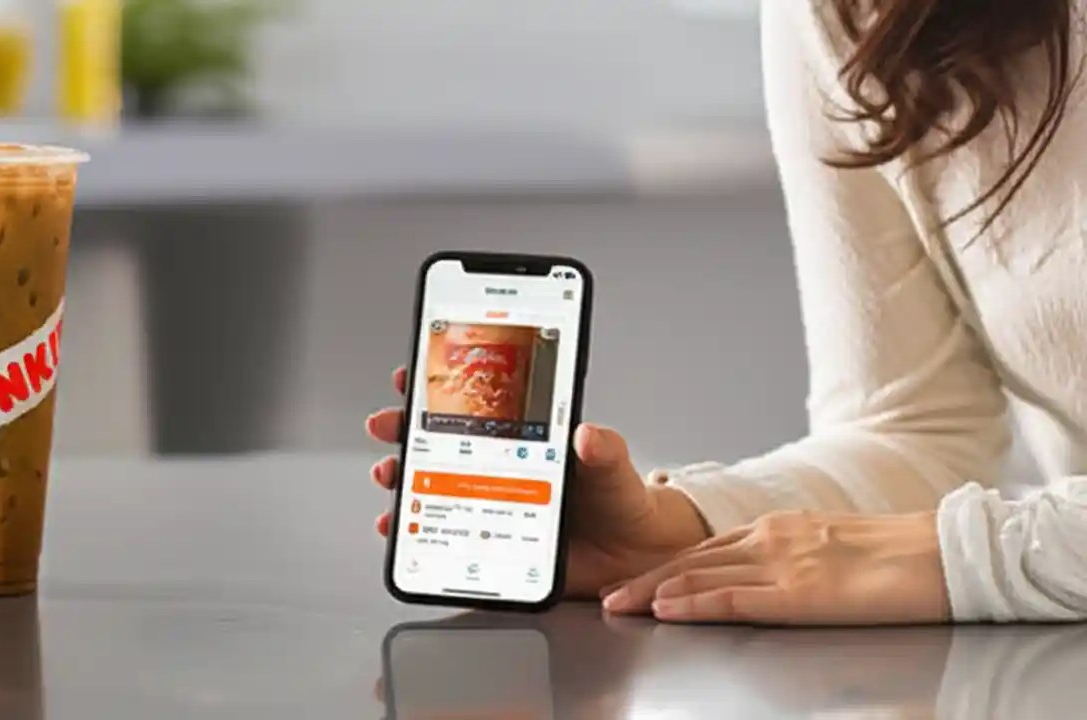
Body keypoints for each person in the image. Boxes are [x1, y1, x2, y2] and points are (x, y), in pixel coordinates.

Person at [367, 0, 1087, 625]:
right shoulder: (861, 15)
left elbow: (947, 542)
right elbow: (916, 430)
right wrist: (681, 527)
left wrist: (970, 557)